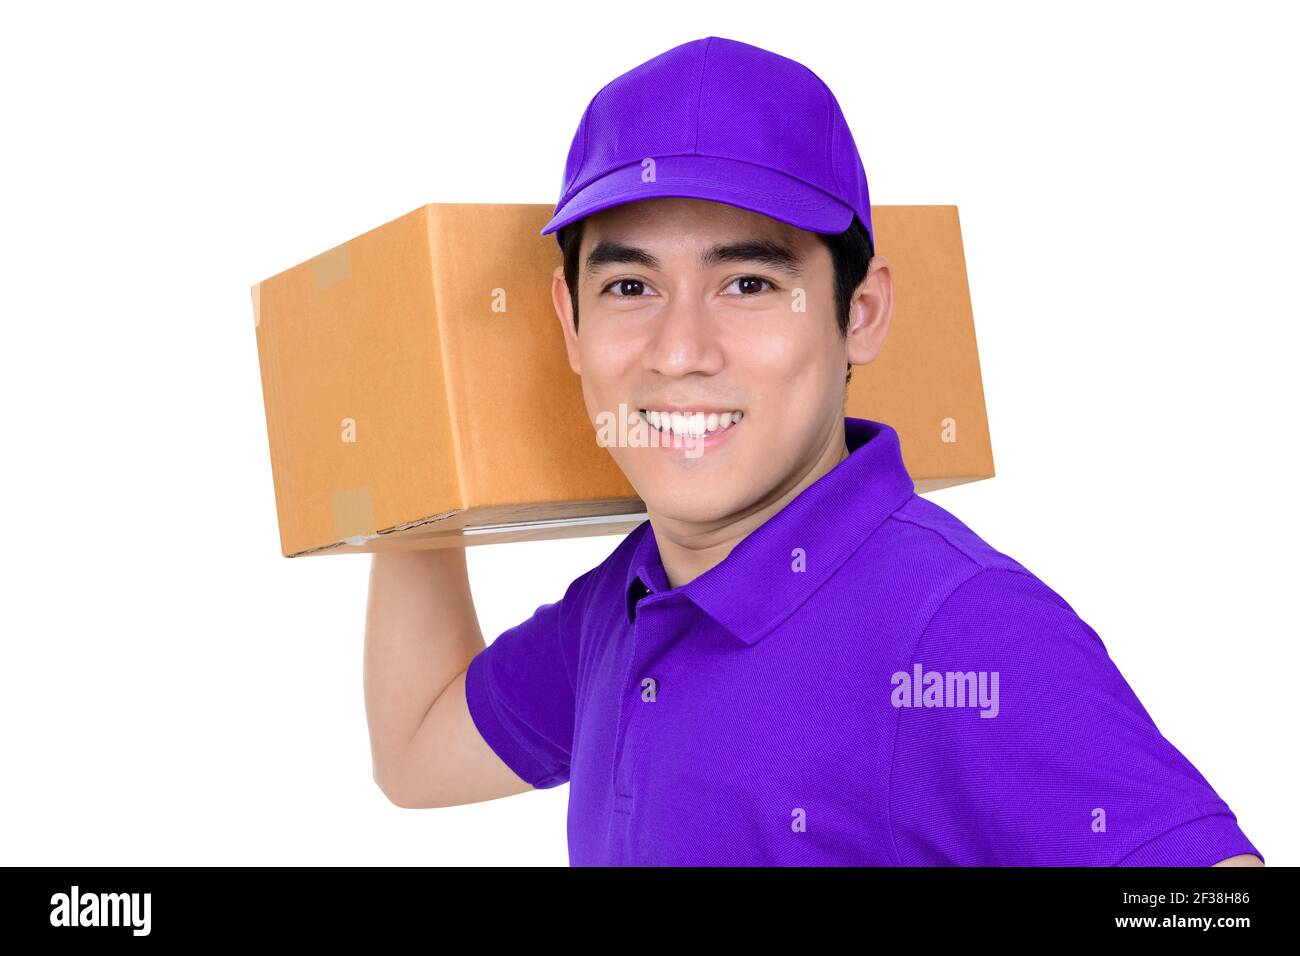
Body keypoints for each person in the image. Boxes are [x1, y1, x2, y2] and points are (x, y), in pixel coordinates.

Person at [363, 36, 1263, 866]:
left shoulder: (958, 632)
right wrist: (414, 436)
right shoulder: (630, 605)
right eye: (631, 286)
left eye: (749, 283)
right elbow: (416, 751)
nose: (680, 351)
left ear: (859, 313)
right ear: (570, 321)